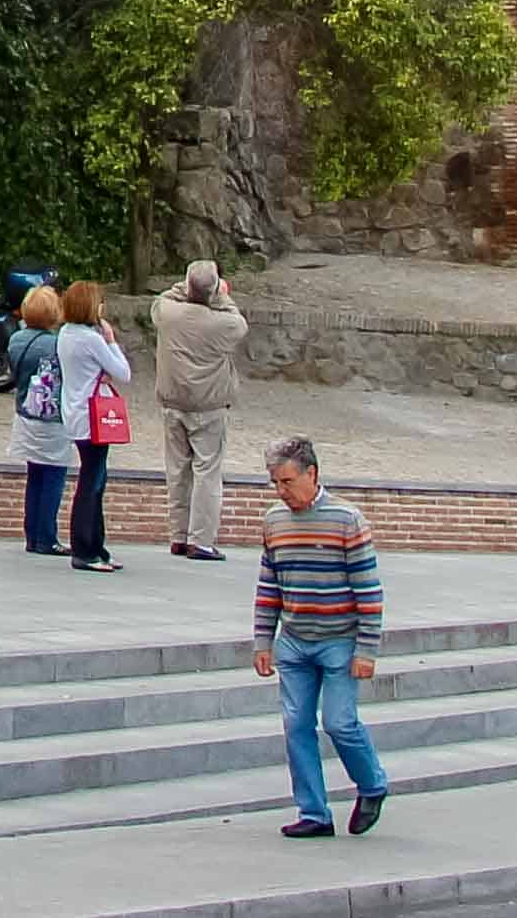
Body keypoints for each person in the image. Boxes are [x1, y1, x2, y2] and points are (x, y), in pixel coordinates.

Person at [251, 436, 388, 838]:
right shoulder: (274, 521)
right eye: (276, 483)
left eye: (288, 481)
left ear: (312, 474)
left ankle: (373, 784)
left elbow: (368, 589)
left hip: (339, 640)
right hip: (294, 640)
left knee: (340, 722)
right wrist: (263, 641)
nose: (282, 491)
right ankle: (314, 812)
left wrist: (366, 649)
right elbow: (268, 586)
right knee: (296, 725)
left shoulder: (347, 520)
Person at [150, 262, 251, 562]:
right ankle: (201, 540)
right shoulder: (224, 323)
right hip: (209, 407)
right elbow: (239, 322)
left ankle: (178, 536)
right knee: (207, 473)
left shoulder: (167, 313)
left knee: (177, 472)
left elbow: (163, 298)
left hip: (173, 404)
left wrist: (188, 286)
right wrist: (220, 295)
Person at [57, 275, 134, 572]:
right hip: (93, 419)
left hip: (74, 413)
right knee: (92, 483)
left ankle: (96, 547)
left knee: (95, 479)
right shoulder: (91, 339)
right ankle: (85, 548)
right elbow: (123, 372)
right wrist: (112, 342)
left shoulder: (65, 333)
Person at [8, 281, 72, 555]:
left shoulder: (16, 339)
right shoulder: (57, 345)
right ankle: (47, 536)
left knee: (34, 475)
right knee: (54, 476)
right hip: (52, 419)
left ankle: (32, 534)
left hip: (25, 414)